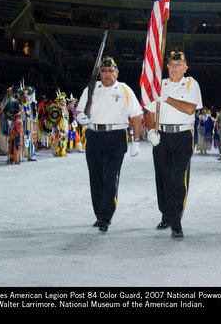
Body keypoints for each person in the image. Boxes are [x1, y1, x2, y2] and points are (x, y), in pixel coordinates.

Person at [76, 56, 143, 232]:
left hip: (115, 137)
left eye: (111, 71)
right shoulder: (91, 90)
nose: (107, 74)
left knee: (110, 177)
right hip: (94, 136)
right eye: (104, 71)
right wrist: (80, 117)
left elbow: (136, 116)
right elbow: (79, 110)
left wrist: (136, 141)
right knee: (96, 177)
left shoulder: (124, 89)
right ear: (99, 73)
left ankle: (106, 216)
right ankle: (99, 213)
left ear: (117, 73)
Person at [144, 51, 203, 238]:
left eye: (179, 65)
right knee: (162, 179)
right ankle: (166, 214)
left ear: (185, 68)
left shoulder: (191, 84)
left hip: (182, 137)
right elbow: (151, 112)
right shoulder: (159, 85)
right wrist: (151, 131)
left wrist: (167, 99)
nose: (175, 68)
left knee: (177, 179)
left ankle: (176, 221)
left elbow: (190, 108)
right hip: (161, 136)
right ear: (167, 66)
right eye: (171, 64)